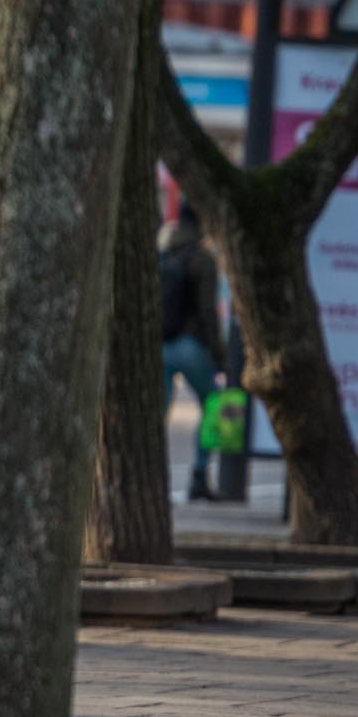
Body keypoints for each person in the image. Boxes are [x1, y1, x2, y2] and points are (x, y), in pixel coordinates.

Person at [162, 201, 226, 501]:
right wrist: (221, 356)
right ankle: (200, 475)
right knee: (214, 405)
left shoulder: (163, 252)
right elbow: (208, 313)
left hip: (159, 344)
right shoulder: (202, 258)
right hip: (190, 345)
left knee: (156, 415)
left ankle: (151, 477)